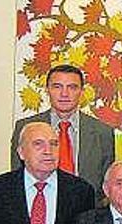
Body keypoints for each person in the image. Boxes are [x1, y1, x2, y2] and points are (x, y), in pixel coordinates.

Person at [10, 64, 115, 192]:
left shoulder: (102, 132)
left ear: (82, 91)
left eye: (72, 87)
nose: (64, 94)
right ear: (47, 90)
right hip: (39, 207)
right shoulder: (25, 128)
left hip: (88, 208)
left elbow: (108, 186)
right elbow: (16, 178)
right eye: (57, 87)